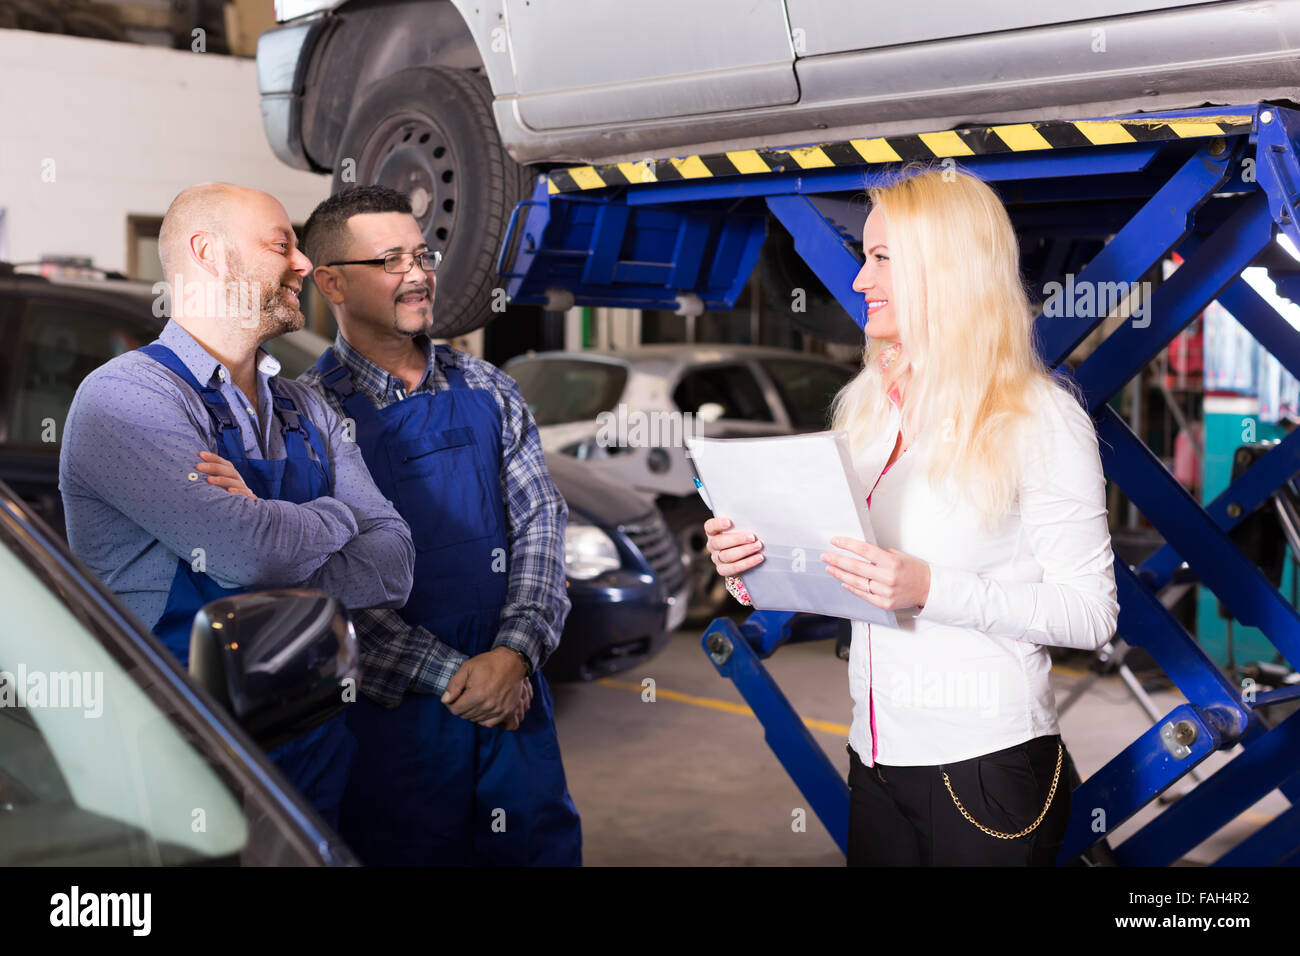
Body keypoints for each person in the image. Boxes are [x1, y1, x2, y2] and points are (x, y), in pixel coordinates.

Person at [704, 166, 1120, 866]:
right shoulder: (868, 408)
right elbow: (842, 572)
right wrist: (753, 565)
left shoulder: (1039, 418)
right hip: (874, 755)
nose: (860, 281)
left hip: (985, 768)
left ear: (947, 271)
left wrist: (930, 589)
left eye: (881, 258)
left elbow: (1092, 614)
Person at [59, 183, 416, 829]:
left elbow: (393, 563)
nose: (305, 265)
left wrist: (265, 532)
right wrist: (336, 517)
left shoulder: (308, 408)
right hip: (180, 747)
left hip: (311, 737)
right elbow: (245, 553)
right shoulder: (125, 398)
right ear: (208, 253)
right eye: (283, 244)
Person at [297, 184, 581, 866]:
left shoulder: (490, 389)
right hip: (394, 717)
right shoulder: (306, 415)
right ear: (332, 280)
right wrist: (458, 677)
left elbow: (541, 524)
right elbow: (322, 584)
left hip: (512, 698)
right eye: (391, 260)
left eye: (422, 254)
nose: (419, 273)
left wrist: (513, 656)